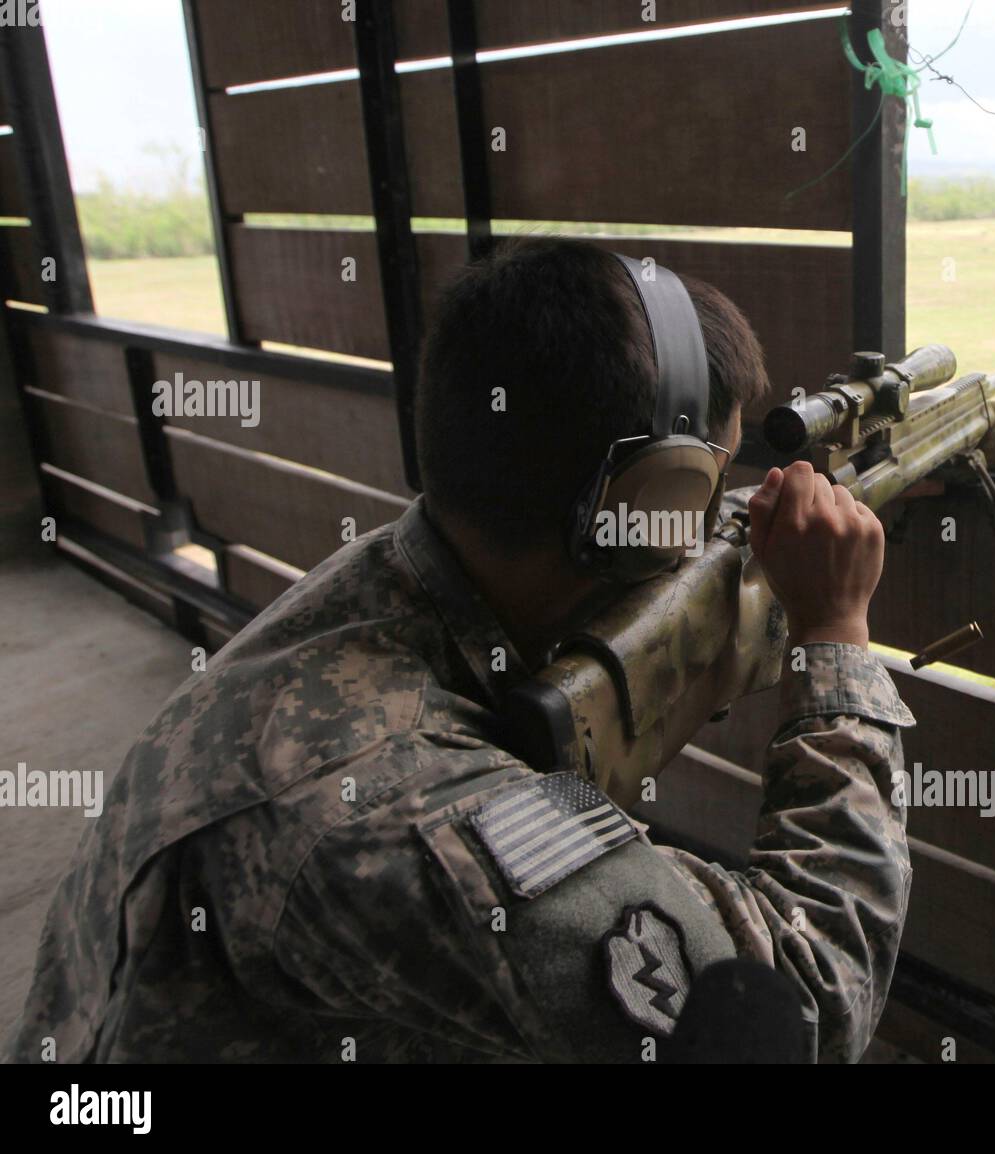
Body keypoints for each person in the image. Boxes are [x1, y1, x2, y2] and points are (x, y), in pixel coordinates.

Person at [3, 237, 914, 1064]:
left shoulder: (383, 584)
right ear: (650, 499)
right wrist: (834, 635)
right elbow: (806, 1011)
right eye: (708, 485)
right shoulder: (411, 816)